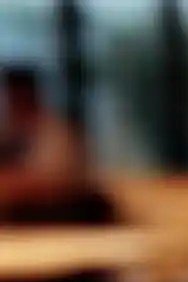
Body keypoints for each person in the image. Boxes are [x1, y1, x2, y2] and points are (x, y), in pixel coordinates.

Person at [0, 68, 109, 224]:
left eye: (12, 97)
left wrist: (10, 183)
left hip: (59, 217)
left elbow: (49, 184)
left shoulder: (56, 133)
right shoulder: (11, 132)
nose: (9, 105)